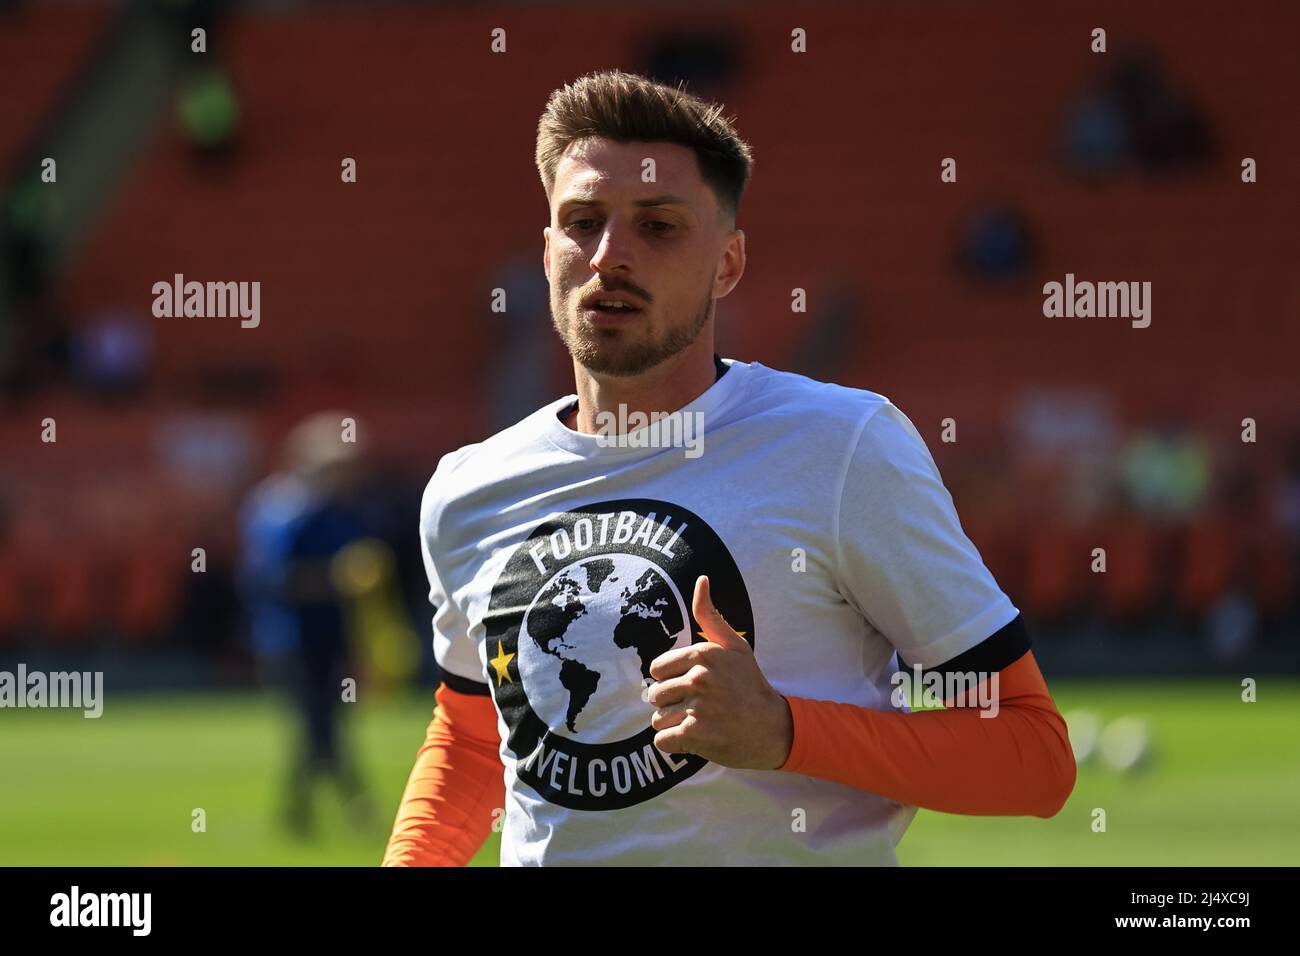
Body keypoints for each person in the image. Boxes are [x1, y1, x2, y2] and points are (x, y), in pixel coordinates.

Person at [383, 70, 1075, 866]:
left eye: (660, 227)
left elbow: (1032, 758)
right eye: (581, 222)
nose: (610, 256)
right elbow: (474, 738)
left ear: (728, 263)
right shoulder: (468, 490)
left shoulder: (842, 446)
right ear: (547, 254)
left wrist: (784, 731)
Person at [238, 411, 375, 836]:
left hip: (325, 636)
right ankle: (354, 806)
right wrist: (334, 579)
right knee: (321, 725)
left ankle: (300, 813)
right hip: (291, 639)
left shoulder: (332, 510)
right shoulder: (286, 510)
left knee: (319, 726)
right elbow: (268, 579)